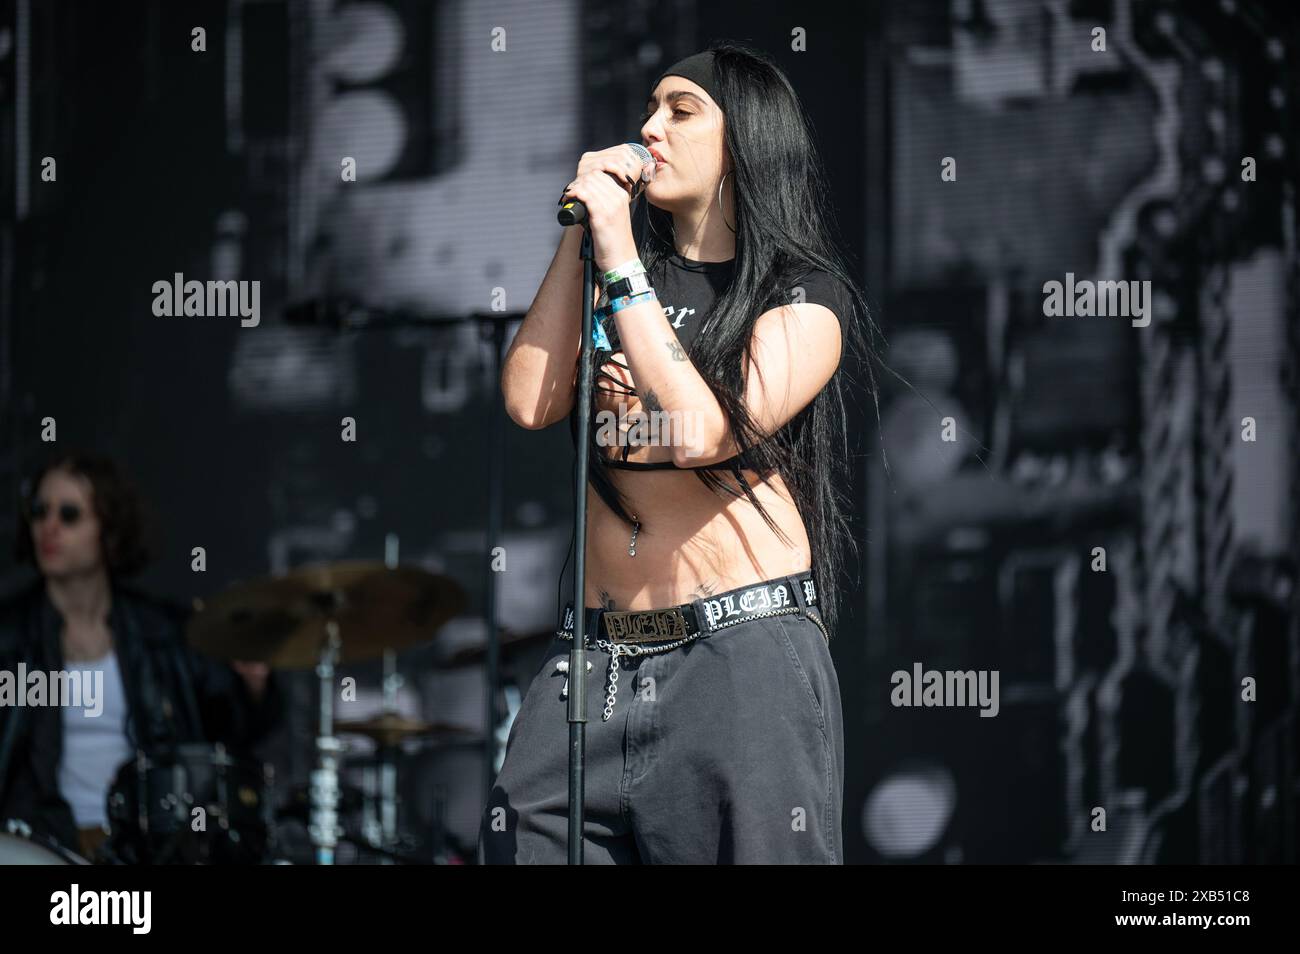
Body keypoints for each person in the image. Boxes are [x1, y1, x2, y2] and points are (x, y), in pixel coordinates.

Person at [481, 44, 878, 864]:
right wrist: (585, 240)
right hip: (592, 661)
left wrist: (622, 261)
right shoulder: (619, 273)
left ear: (746, 141)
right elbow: (529, 399)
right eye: (649, 107)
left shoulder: (803, 295)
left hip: (734, 657)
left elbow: (703, 433)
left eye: (680, 109)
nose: (648, 127)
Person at [0, 451, 279, 859]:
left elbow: (232, 731)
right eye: (40, 511)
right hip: (36, 840)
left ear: (108, 528)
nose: (50, 527)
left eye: (70, 514)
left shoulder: (162, 632)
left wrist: (254, 687)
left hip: (144, 846)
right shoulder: (9, 637)